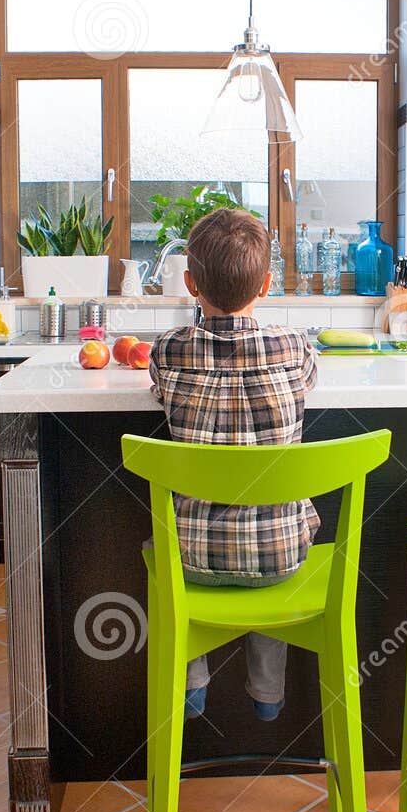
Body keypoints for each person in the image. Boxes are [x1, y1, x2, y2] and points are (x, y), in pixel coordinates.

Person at [147, 208, 319, 721]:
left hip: (191, 564)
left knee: (165, 545)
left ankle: (193, 679)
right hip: (281, 560)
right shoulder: (293, 347)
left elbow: (158, 385)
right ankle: (268, 694)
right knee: (269, 534)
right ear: (266, 284)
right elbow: (309, 380)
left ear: (190, 283)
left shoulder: (170, 350)